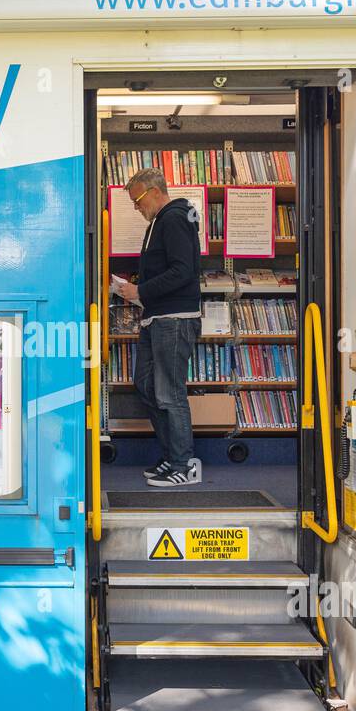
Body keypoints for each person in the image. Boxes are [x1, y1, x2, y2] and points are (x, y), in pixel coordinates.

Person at [115, 168, 202, 487]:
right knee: (147, 385)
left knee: (169, 392)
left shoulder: (174, 218)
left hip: (174, 319)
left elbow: (183, 271)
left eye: (136, 200)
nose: (136, 208)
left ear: (153, 192)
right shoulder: (160, 223)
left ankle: (184, 465)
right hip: (157, 317)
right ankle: (171, 456)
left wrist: (141, 291)